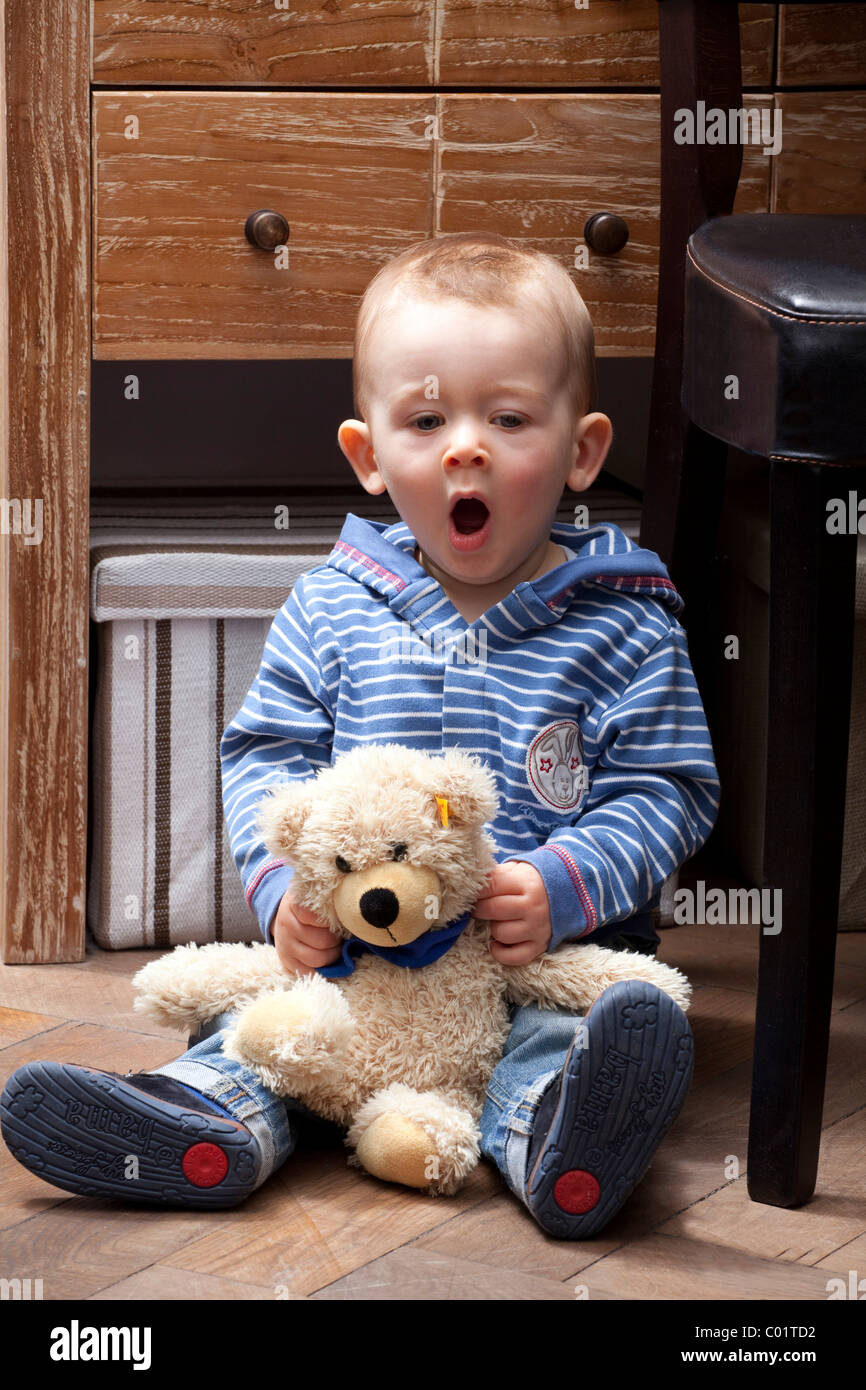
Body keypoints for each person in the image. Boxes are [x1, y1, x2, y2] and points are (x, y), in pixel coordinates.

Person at [0, 232, 719, 1238]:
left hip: (537, 955)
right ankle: (204, 1122)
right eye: (425, 419)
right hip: (357, 966)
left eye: (507, 418)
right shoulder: (332, 608)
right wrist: (282, 892)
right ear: (368, 454)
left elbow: (668, 788)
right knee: (264, 1033)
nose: (463, 444)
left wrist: (566, 883)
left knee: (566, 1034)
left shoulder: (624, 621)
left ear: (581, 449)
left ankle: (559, 1141)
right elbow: (265, 760)